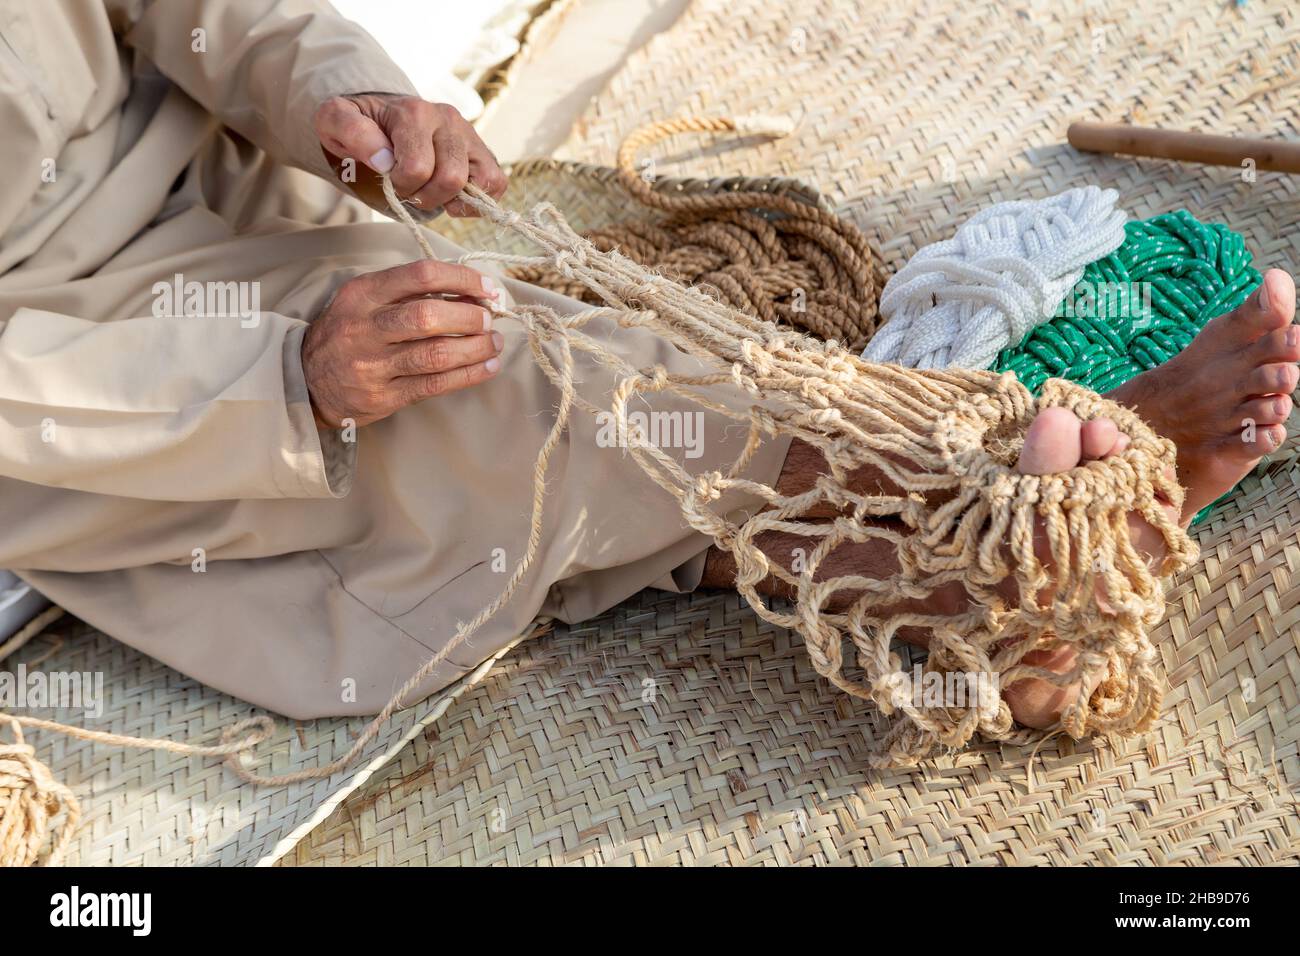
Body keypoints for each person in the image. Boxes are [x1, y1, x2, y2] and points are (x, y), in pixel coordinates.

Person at [1, 1, 1294, 737]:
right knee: (509, 386)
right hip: (91, 378)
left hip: (228, 201)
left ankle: (933, 584)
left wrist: (346, 100)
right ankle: (994, 531)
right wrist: (284, 378)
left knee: (601, 344)